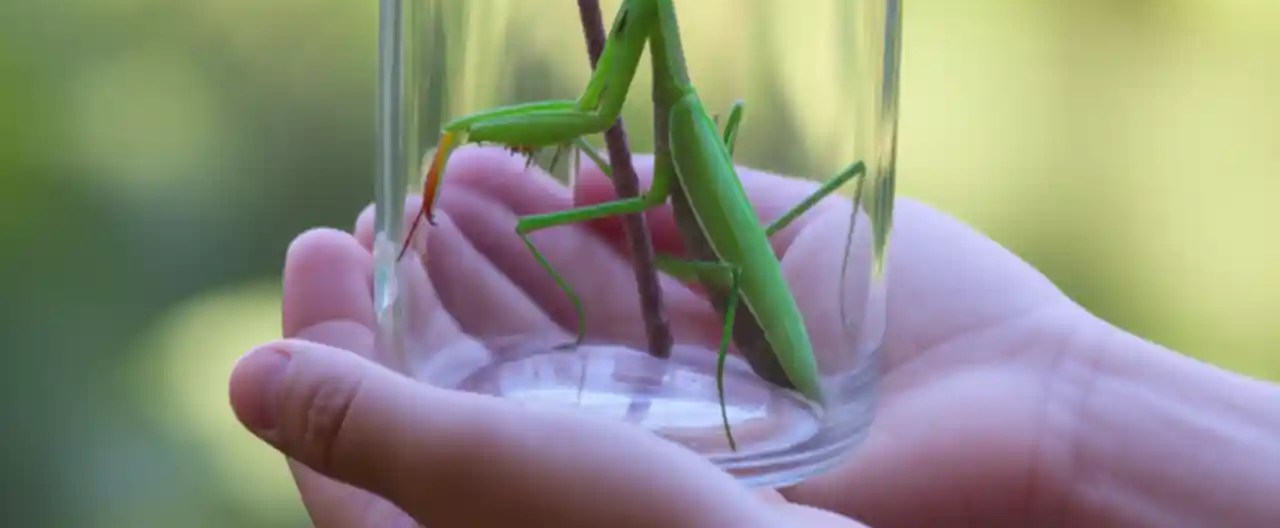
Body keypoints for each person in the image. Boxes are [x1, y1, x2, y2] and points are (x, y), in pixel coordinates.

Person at [228, 147, 1280, 527]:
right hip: (747, 304)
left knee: (568, 214)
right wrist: (1065, 405)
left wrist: (1062, 398)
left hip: (750, 311)